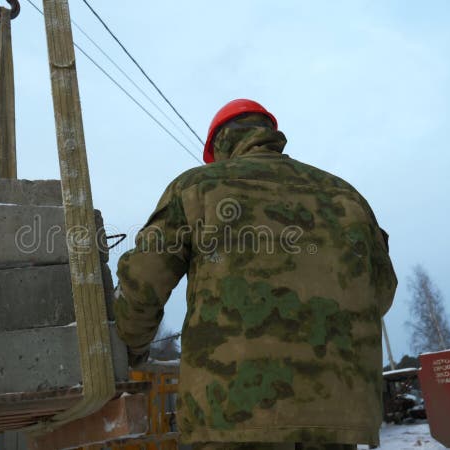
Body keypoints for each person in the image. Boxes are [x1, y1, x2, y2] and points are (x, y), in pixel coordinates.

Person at [113, 99, 397, 450]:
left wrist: (132, 346)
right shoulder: (347, 197)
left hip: (230, 415)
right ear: (270, 133)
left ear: (218, 147)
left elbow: (143, 281)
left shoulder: (195, 189)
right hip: (335, 415)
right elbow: (381, 292)